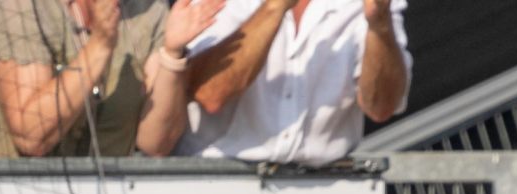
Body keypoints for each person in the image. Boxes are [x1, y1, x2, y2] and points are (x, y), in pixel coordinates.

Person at [0, 0, 229, 159]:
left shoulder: (148, 10)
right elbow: (32, 136)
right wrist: (100, 46)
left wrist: (172, 55)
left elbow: (155, 143)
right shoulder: (24, 7)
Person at [166, 0, 411, 165]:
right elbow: (210, 94)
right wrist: (275, 6)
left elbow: (381, 107)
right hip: (214, 183)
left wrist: (379, 26)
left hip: (323, 190)